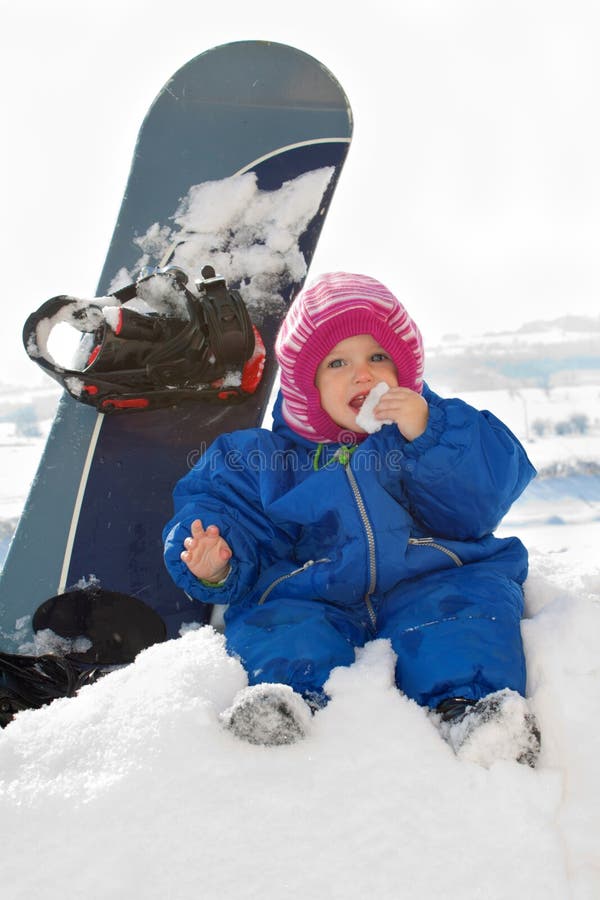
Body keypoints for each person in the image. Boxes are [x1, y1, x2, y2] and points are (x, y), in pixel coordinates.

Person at [163, 272, 540, 765]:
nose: (363, 374)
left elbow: (481, 500)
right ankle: (285, 698)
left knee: (463, 612)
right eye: (338, 362)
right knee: (283, 623)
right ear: (306, 386)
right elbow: (222, 507)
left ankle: (473, 710)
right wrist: (216, 558)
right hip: (315, 587)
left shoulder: (432, 430)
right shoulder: (266, 458)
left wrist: (430, 435)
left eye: (378, 357)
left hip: (428, 572)